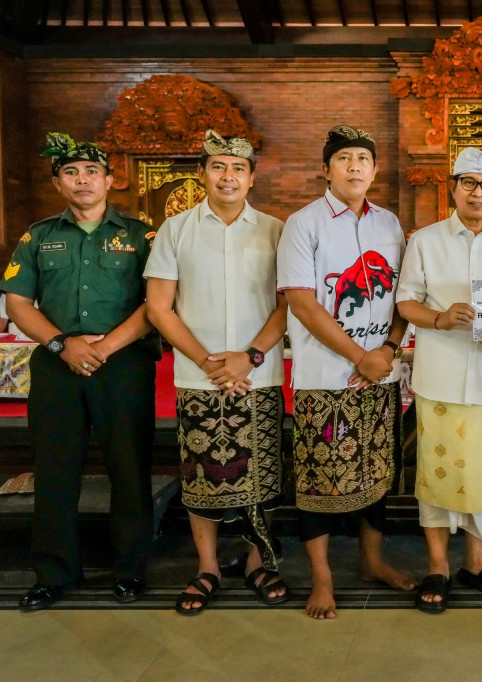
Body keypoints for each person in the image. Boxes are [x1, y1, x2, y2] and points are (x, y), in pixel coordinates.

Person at [2, 132, 158, 611]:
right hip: (57, 364)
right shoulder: (37, 236)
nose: (82, 180)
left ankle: (130, 569)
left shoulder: (142, 236)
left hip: (123, 364)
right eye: (70, 172)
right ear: (58, 184)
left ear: (111, 180)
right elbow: (18, 303)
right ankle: (54, 573)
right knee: (55, 471)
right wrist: (60, 343)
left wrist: (106, 346)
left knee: (129, 468)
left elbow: (158, 303)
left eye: (92, 171)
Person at [145, 130, 289, 615]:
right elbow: (159, 308)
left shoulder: (275, 230)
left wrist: (249, 356)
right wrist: (209, 362)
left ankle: (258, 562)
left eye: (238, 169)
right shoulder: (175, 230)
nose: (229, 177)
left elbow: (290, 304)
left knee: (263, 473)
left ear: (252, 178)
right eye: (219, 167)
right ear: (202, 174)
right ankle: (207, 566)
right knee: (199, 476)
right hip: (198, 377)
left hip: (259, 374)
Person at [277, 125, 415, 620]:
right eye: (343, 158)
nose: (354, 166)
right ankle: (322, 577)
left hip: (381, 373)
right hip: (325, 378)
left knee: (377, 473)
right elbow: (301, 302)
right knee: (319, 477)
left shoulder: (389, 224)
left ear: (375, 170)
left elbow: (404, 296)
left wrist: (389, 348)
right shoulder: (304, 223)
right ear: (326, 169)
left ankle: (371, 561)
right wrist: (361, 356)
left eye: (363, 158)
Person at [395, 147, 482, 614]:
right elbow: (405, 302)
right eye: (469, 182)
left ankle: (476, 561)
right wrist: (440, 318)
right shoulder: (425, 241)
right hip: (441, 378)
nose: (478, 192)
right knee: (435, 474)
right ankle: (438, 566)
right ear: (453, 188)